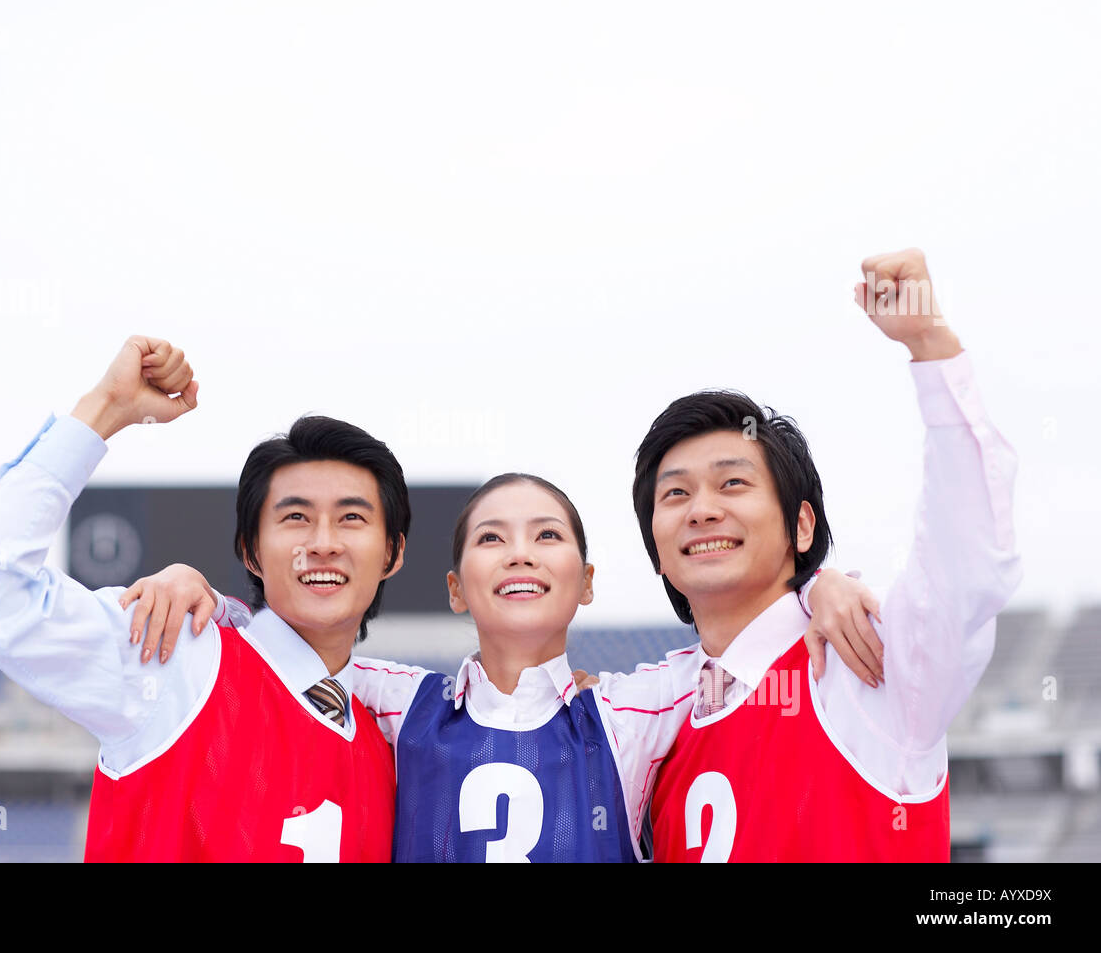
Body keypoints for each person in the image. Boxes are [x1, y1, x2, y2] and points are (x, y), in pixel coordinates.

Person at [127, 476, 879, 861]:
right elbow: (285, 654)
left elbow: (744, 623)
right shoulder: (395, 704)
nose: (519, 553)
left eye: (546, 535)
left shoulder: (636, 711)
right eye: (492, 538)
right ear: (456, 588)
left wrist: (818, 584)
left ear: (585, 582)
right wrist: (209, 599)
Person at [0, 336, 404, 861]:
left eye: (352, 518)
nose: (323, 543)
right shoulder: (174, 653)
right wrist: (107, 408)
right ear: (250, 550)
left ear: (393, 553)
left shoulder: (388, 741)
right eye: (295, 517)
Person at [636, 249, 1022, 861]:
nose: (701, 509)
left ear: (802, 525)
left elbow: (968, 561)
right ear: (656, 548)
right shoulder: (654, 717)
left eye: (733, 483)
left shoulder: (868, 660)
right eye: (676, 493)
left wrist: (928, 342)